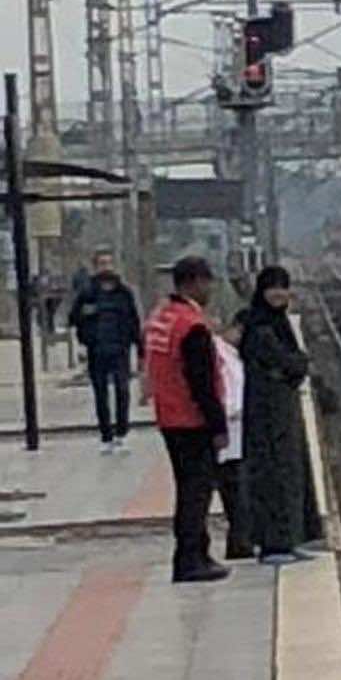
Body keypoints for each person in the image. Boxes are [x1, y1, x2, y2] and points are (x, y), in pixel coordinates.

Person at [143, 256, 232, 583]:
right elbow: (202, 381)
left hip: (169, 416)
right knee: (196, 493)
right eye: (207, 282)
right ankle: (190, 559)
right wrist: (218, 425)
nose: (210, 289)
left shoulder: (161, 317)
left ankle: (195, 553)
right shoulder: (191, 325)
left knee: (188, 488)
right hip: (191, 419)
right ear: (195, 282)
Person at [237, 265, 319, 561]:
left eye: (283, 287)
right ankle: (272, 543)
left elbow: (294, 364)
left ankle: (291, 538)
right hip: (265, 413)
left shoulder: (279, 323)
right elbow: (288, 362)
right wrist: (294, 366)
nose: (278, 293)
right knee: (271, 474)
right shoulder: (259, 326)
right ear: (262, 291)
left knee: (292, 473)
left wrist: (293, 367)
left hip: (283, 409)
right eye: (272, 287)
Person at [68, 249, 142, 453]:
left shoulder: (124, 293)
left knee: (122, 390)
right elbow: (73, 318)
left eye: (109, 263)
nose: (106, 267)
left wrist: (140, 347)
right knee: (101, 393)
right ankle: (106, 436)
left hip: (120, 349)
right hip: (96, 349)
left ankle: (121, 432)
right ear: (95, 266)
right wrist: (85, 320)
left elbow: (133, 320)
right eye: (102, 263)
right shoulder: (87, 292)